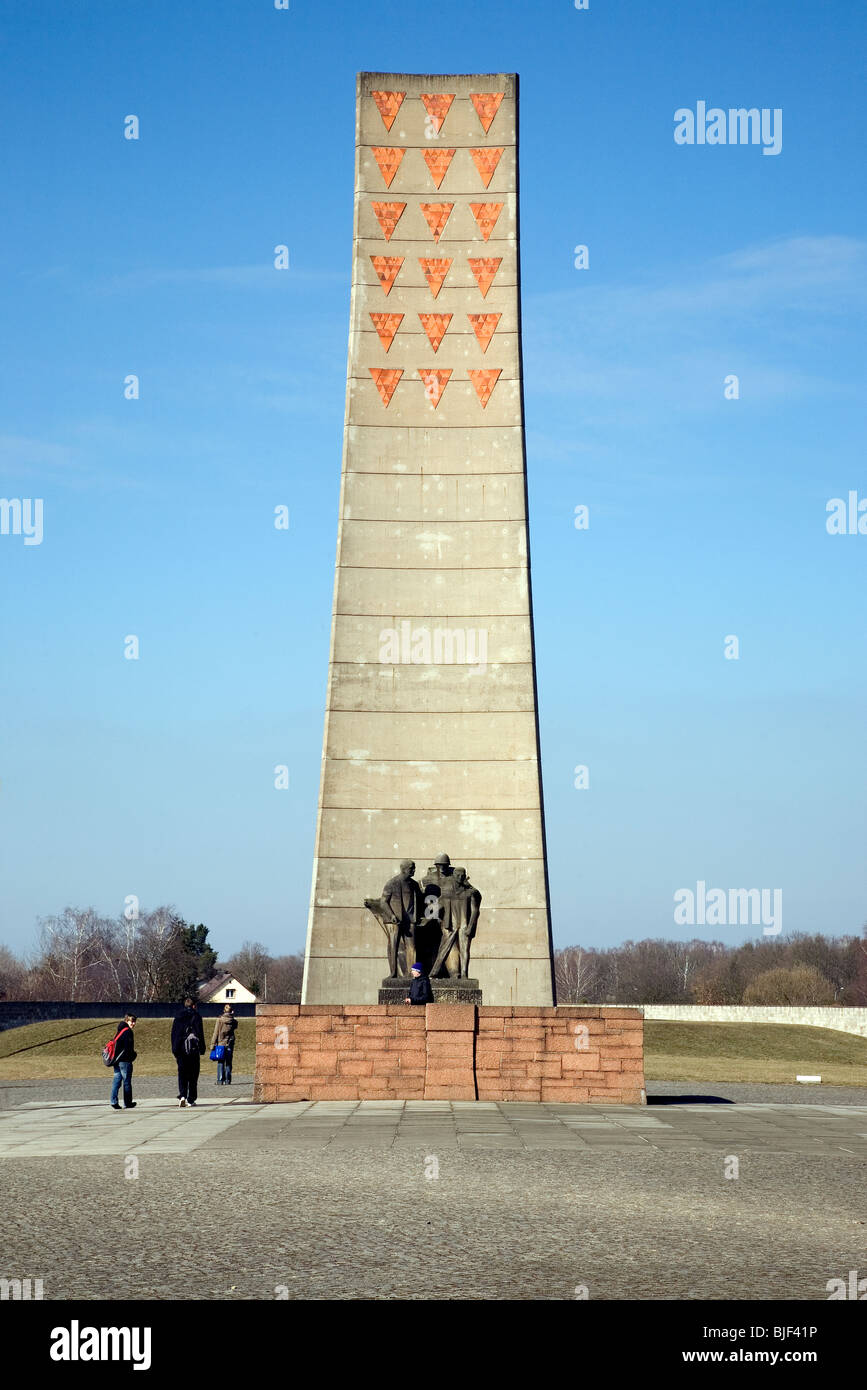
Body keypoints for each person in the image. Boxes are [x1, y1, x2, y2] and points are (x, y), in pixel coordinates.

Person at [171, 997, 206, 1107]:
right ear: (194, 1005)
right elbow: (200, 1033)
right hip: (193, 1050)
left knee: (182, 1074)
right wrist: (202, 1048)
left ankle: (182, 1096)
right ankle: (191, 1099)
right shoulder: (197, 1016)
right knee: (193, 1075)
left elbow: (174, 1034)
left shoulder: (178, 1017)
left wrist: (175, 1050)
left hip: (181, 1050)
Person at [109, 1013, 137, 1109]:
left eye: (134, 1022)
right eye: (132, 1021)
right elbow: (128, 1048)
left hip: (116, 1060)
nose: (133, 1024)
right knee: (126, 1082)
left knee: (116, 1080)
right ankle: (128, 1102)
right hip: (125, 1060)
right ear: (126, 1021)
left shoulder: (119, 1030)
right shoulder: (128, 1032)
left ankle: (113, 1101)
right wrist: (134, 1055)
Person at [210, 1003, 238, 1085]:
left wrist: (212, 1044)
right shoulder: (233, 1021)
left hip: (221, 1043)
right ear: (231, 1011)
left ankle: (220, 1079)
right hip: (229, 1043)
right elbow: (236, 1026)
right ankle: (228, 1080)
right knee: (229, 1062)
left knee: (220, 1062)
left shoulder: (219, 1020)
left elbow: (216, 1032)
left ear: (223, 1010)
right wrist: (232, 1015)